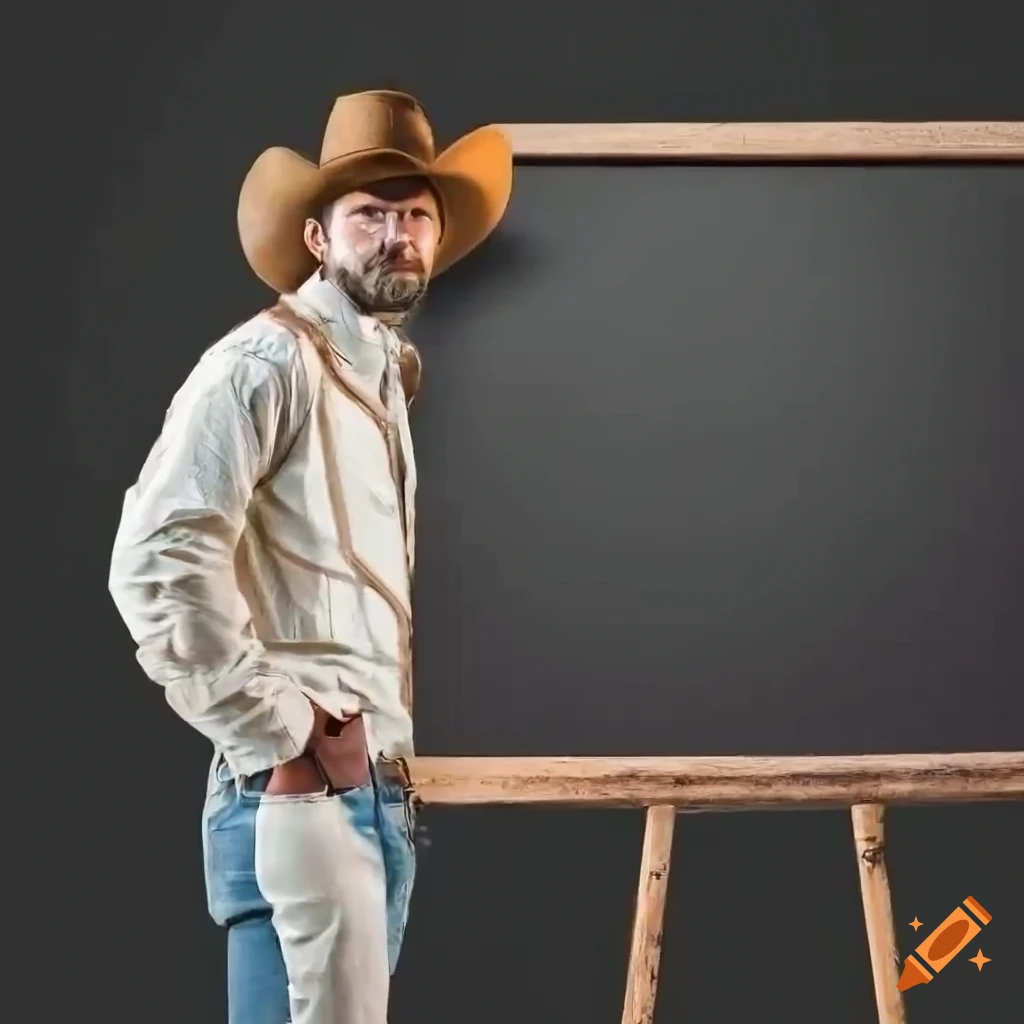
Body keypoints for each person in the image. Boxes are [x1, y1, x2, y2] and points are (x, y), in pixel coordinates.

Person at [108, 89, 513, 1024]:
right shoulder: (266, 362)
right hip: (299, 788)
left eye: (415, 215)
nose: (397, 234)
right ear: (319, 239)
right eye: (370, 214)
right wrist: (281, 734)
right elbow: (158, 557)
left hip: (375, 790)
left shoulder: (383, 378)